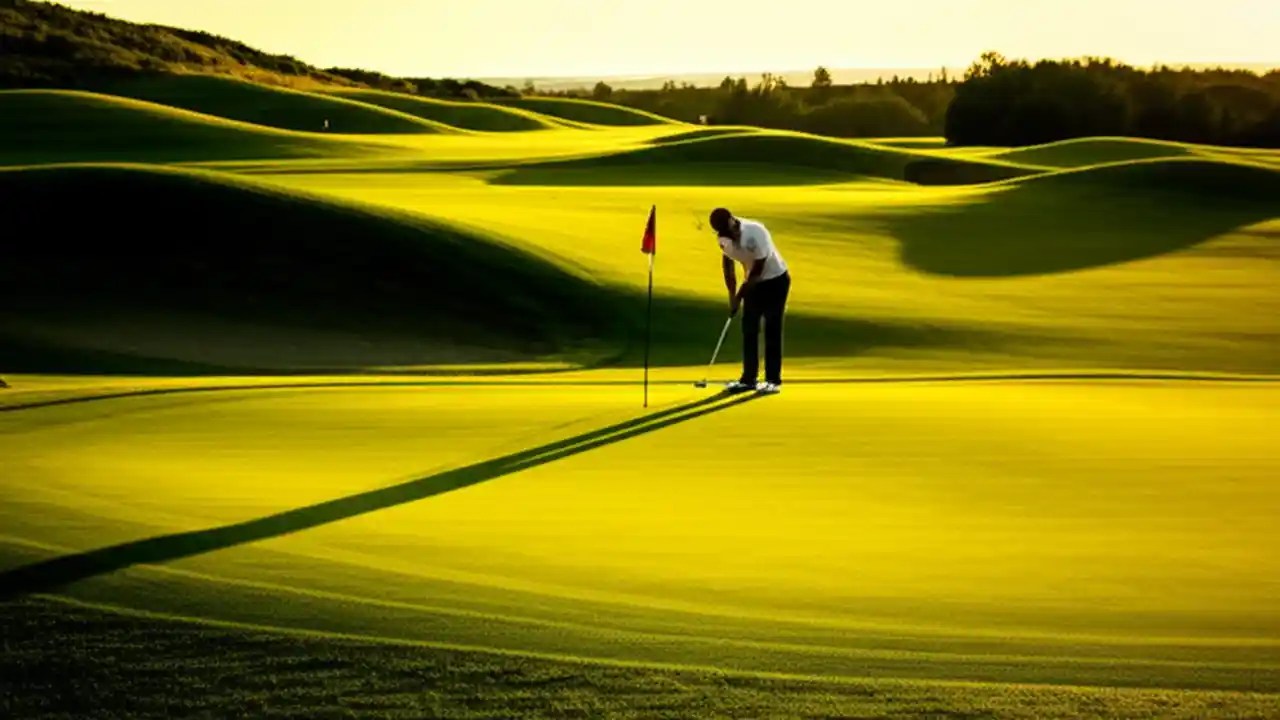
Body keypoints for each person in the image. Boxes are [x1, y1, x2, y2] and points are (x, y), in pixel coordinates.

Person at [709, 207, 791, 395]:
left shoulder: (756, 231)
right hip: (753, 283)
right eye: (722, 232)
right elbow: (728, 265)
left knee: (772, 327)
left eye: (728, 230)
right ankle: (748, 379)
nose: (726, 235)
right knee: (749, 328)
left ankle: (773, 380)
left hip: (775, 280)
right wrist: (731, 296)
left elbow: (758, 269)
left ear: (732, 219)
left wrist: (740, 295)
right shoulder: (723, 237)